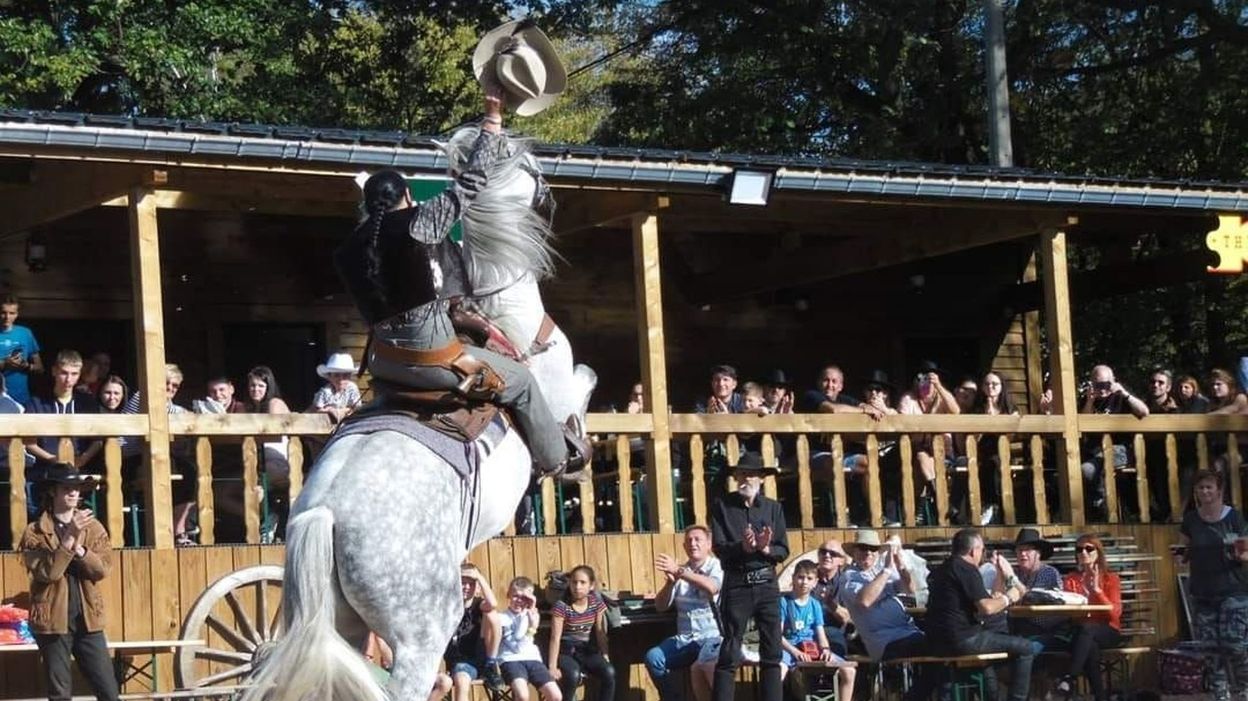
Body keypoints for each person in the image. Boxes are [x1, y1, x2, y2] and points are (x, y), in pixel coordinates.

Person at [334, 80, 586, 478]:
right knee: (519, 380)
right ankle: (560, 460)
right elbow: (471, 182)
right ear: (406, 196)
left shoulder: (349, 248)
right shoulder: (419, 223)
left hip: (383, 364)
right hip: (431, 359)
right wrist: (492, 121)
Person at [20, 463, 119, 701]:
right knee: (60, 694)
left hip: (89, 620)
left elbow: (102, 570)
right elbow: (49, 573)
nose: (74, 493)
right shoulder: (35, 531)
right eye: (67, 488)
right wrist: (69, 539)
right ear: (53, 491)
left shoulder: (93, 528)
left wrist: (81, 550)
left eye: (77, 488)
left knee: (109, 691)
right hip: (53, 622)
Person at [710, 452, 788, 701]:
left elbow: (783, 549)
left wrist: (765, 548)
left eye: (751, 474)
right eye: (741, 474)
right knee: (730, 651)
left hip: (766, 582)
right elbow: (719, 548)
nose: (745, 478)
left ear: (761, 479)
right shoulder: (722, 505)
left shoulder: (773, 508)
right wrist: (742, 547)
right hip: (738, 583)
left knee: (772, 653)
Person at [925, 528, 1035, 701]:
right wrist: (1009, 598)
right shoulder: (967, 568)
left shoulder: (941, 569)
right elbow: (987, 608)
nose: (982, 555)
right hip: (961, 640)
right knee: (1026, 647)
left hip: (936, 641)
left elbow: (980, 601)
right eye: (982, 550)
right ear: (973, 550)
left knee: (987, 656)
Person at [838, 530, 938, 701]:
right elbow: (865, 601)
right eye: (863, 548)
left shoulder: (883, 572)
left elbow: (910, 589)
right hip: (886, 643)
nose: (868, 553)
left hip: (908, 633)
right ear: (854, 552)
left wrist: (900, 565)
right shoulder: (849, 576)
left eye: (873, 549)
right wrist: (885, 571)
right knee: (942, 648)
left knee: (946, 642)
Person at [1179, 469, 1248, 701]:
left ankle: (1243, 689)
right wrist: (1180, 556)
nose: (1205, 491)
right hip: (1202, 592)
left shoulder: (1234, 517)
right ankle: (1220, 695)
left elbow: (1247, 551)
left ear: (1219, 490)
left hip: (1233, 590)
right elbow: (1184, 550)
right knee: (1210, 648)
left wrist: (1241, 555)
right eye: (1200, 487)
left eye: (1209, 487)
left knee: (1234, 644)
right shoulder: (1191, 519)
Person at [647, 525, 723, 701]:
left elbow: (712, 587)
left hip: (713, 639)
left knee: (705, 664)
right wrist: (670, 584)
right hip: (686, 640)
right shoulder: (680, 571)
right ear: (683, 547)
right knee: (653, 658)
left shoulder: (716, 566)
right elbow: (660, 606)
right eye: (689, 540)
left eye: (698, 539)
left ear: (709, 544)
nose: (693, 543)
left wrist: (680, 572)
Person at [1056, 534, 1122, 701]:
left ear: (1098, 552)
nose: (1083, 552)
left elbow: (1115, 613)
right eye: (1079, 549)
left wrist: (1097, 591)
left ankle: (1070, 677)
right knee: (1089, 644)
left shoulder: (1110, 578)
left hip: (1108, 630)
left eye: (1089, 548)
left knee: (1088, 629)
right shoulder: (1071, 579)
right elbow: (1069, 611)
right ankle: (1100, 697)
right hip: (1081, 632)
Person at [1079, 364, 1149, 518]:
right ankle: (1097, 507)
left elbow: (1144, 411)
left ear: (1113, 382)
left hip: (1120, 449)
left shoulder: (1121, 397)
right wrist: (1090, 401)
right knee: (1082, 469)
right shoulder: (1087, 399)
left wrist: (1123, 392)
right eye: (1098, 385)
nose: (1102, 389)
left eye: (1106, 384)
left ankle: (1101, 505)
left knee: (1088, 469)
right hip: (1094, 451)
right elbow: (1083, 424)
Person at [779, 560, 854, 700]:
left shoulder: (815, 605)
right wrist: (795, 652)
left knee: (849, 671)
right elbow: (777, 635)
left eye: (809, 579)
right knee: (778, 672)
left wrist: (825, 649)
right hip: (789, 647)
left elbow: (820, 633)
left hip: (811, 647)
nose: (804, 582)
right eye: (800, 577)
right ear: (793, 578)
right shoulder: (783, 602)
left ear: (815, 582)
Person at [548, 565, 614, 701]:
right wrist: (552, 667)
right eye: (574, 582)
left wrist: (605, 654)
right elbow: (555, 638)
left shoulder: (595, 603)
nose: (577, 587)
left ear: (591, 585)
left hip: (586, 649)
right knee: (573, 675)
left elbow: (600, 632)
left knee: (609, 672)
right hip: (566, 651)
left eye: (582, 583)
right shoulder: (562, 606)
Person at [26, 350, 100, 468]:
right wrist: (53, 459)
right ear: (54, 371)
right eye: (64, 373)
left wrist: (82, 460)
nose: (68, 379)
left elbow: (98, 440)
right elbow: (29, 442)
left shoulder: (87, 402)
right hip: (45, 468)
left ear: (80, 374)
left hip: (80, 468)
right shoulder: (36, 402)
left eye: (74, 374)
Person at [444, 563, 507, 698]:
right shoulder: (449, 606)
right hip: (460, 660)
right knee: (462, 681)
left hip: (480, 655)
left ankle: (491, 663)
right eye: (463, 583)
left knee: (492, 615)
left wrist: (479, 577)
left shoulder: (479, 604)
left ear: (478, 587)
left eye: (471, 583)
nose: (467, 587)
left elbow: (493, 604)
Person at [499, 576, 562, 701]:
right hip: (510, 659)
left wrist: (529, 612)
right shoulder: (502, 618)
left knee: (556, 696)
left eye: (524, 598)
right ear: (508, 595)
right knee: (523, 696)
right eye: (515, 596)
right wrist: (532, 628)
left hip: (532, 658)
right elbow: (516, 647)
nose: (519, 601)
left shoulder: (532, 615)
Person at [1009, 528, 1065, 647]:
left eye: (1028, 549)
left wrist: (1012, 578)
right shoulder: (1016, 573)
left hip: (1048, 631)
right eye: (1019, 550)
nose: (1023, 554)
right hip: (1018, 630)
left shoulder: (1049, 573)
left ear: (1038, 553)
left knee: (1023, 650)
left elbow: (1032, 599)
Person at [810, 539, 851, 659]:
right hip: (808, 629)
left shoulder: (846, 581)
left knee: (835, 636)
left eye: (833, 554)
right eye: (823, 552)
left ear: (841, 560)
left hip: (835, 630)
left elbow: (847, 618)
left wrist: (830, 603)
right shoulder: (807, 576)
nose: (827, 556)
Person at [0, 294, 44, 406]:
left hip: (21, 398)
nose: (7, 317)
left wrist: (26, 366)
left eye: (12, 313)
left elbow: (40, 368)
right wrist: (4, 364)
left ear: (17, 314)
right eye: (3, 312)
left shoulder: (25, 333)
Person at [311, 352, 362, 423]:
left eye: (345, 375)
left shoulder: (352, 388)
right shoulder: (325, 391)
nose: (341, 379)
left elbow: (357, 408)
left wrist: (339, 411)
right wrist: (329, 410)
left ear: (350, 376)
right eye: (336, 375)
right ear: (329, 377)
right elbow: (315, 410)